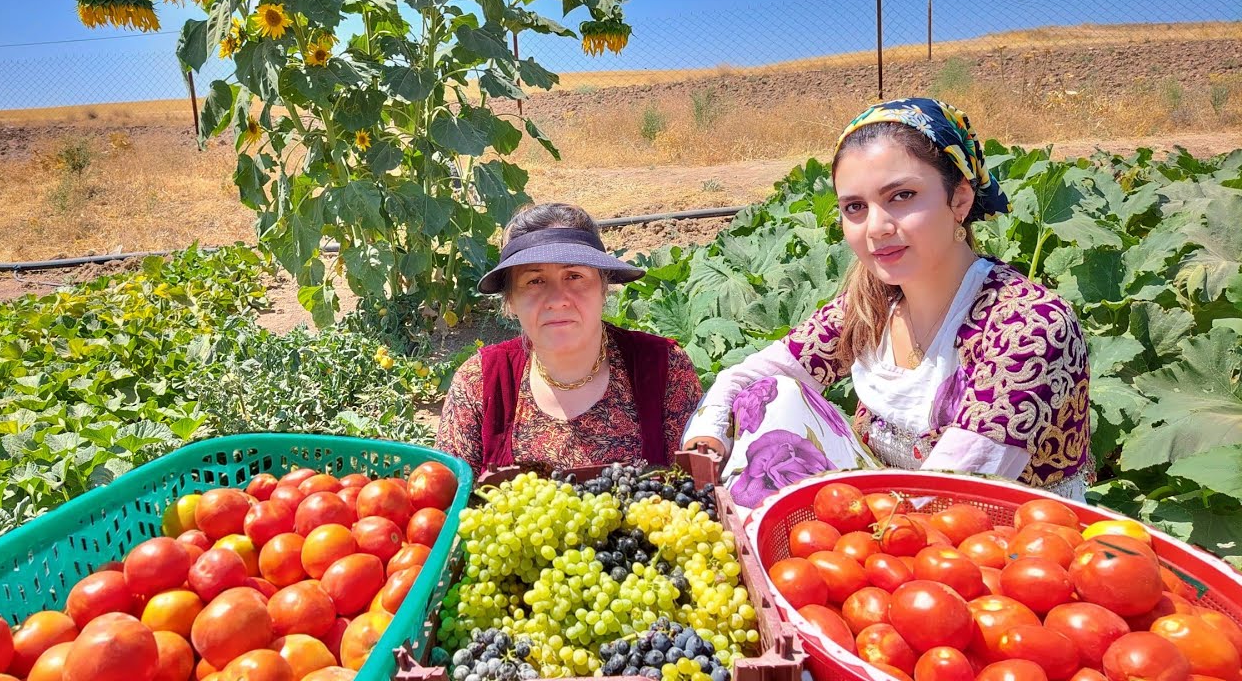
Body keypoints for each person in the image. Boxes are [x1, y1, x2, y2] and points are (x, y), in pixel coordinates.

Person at [683, 98, 1093, 509]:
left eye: (902, 196)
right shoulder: (870, 305)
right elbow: (749, 379)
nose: (876, 228)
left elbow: (946, 498)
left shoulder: (1029, 325)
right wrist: (709, 437)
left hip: (1003, 541)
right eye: (855, 207)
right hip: (891, 523)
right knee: (774, 393)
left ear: (961, 201)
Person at [437, 203, 704, 475]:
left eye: (574, 276)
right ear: (511, 301)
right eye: (535, 281)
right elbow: (448, 498)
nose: (557, 300)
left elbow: (696, 486)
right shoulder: (479, 381)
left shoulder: (665, 368)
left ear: (603, 288)